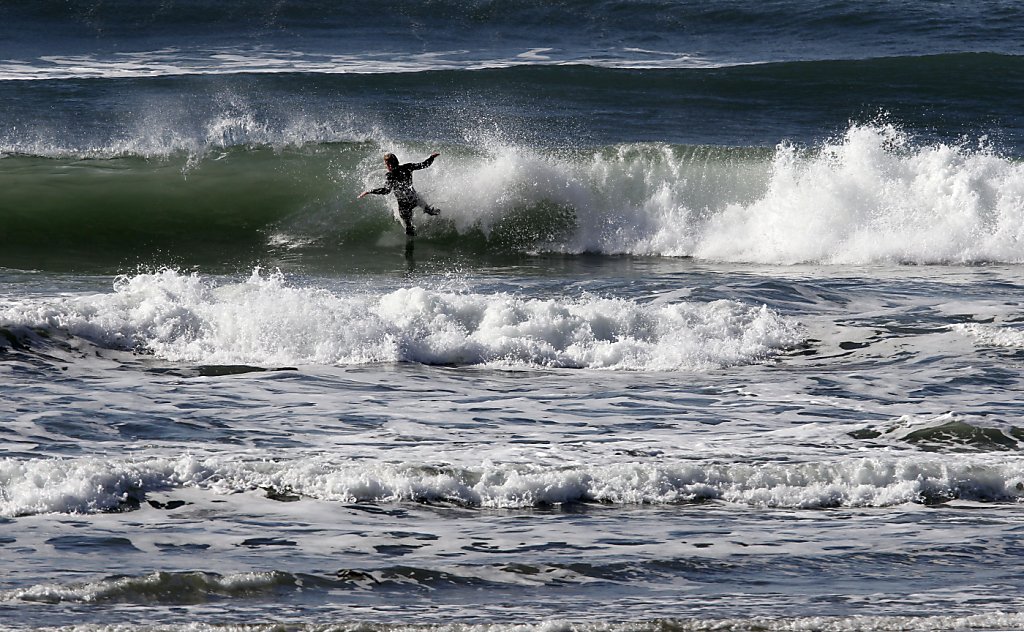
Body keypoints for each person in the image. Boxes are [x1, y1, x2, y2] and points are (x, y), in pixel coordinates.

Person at [358, 152, 441, 237]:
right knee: (431, 211)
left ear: (389, 165)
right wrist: (432, 157)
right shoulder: (408, 167)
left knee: (409, 228)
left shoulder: (390, 175)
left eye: (386, 164)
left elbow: (386, 190)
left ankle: (412, 243)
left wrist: (369, 191)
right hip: (414, 198)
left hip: (403, 205)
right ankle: (442, 220)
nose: (386, 166)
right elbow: (424, 164)